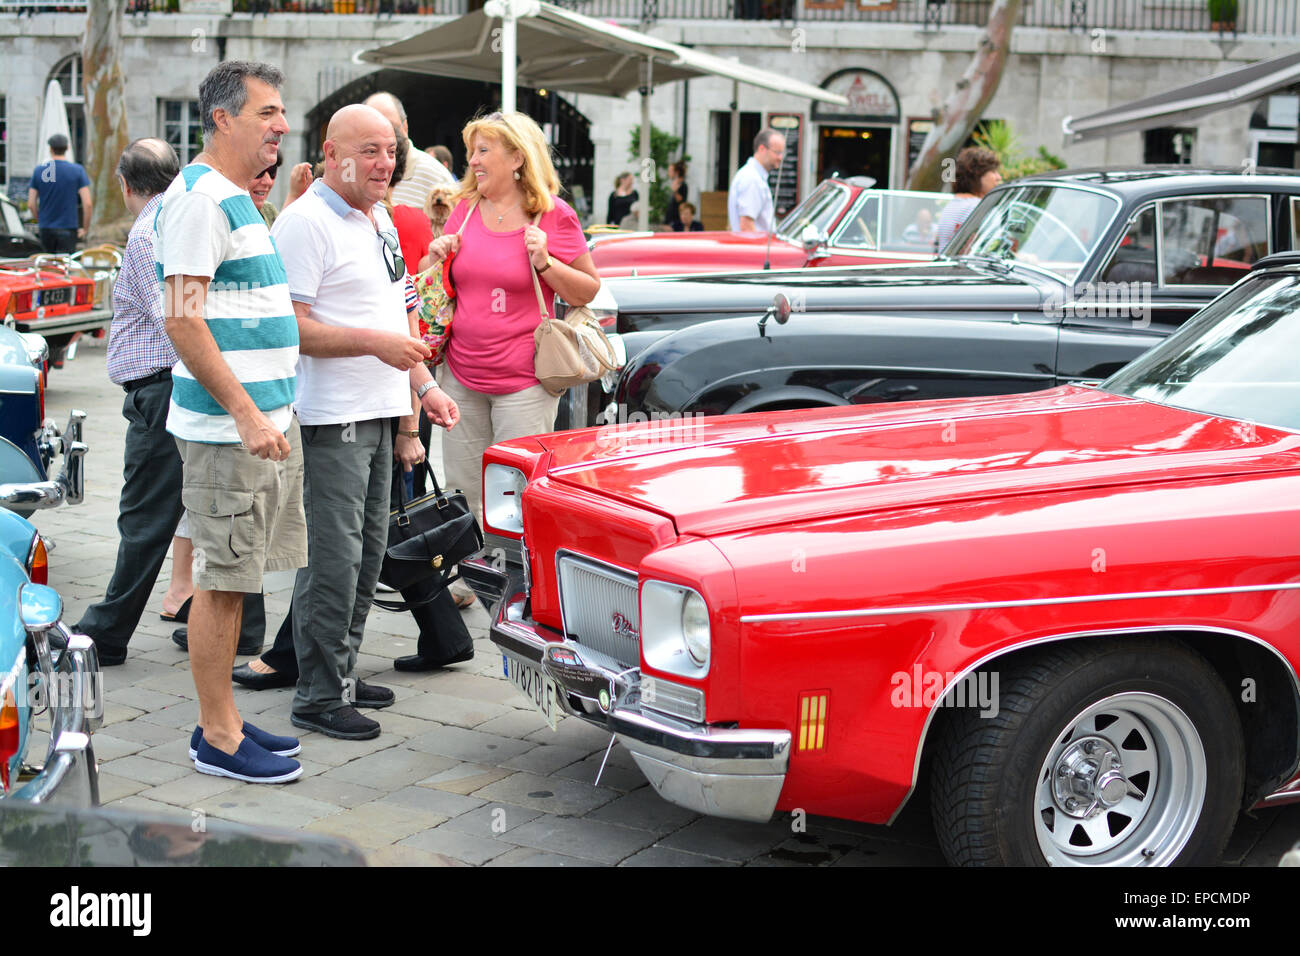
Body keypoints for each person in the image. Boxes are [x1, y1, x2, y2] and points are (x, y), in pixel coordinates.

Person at [267, 103, 460, 736]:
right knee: (335, 558)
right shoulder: (303, 223)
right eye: (371, 150)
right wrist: (375, 347)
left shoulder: (375, 217)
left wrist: (423, 389)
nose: (386, 163)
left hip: (379, 410)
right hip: (333, 417)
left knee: (367, 554)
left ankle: (339, 672)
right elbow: (288, 329)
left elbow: (400, 311)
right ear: (332, 153)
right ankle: (319, 695)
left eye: (391, 150)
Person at [155, 60, 306, 784]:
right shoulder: (202, 201)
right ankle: (216, 734)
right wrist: (246, 414)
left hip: (258, 427)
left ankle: (229, 720)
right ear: (222, 120)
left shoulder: (232, 196)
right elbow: (182, 321)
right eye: (268, 112)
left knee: (238, 578)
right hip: (228, 436)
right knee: (221, 583)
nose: (282, 124)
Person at [76, 136, 267, 667]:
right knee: (214, 505)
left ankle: (109, 630)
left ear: (123, 185)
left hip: (162, 387)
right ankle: (242, 627)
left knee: (147, 517)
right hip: (184, 381)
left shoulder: (147, 231)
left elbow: (176, 318)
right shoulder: (184, 215)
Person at [422, 110, 599, 637]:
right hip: (462, 371)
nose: (472, 162)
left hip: (524, 378)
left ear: (517, 159)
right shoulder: (465, 210)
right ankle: (467, 574)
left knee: (517, 490)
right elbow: (440, 282)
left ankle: (523, 580)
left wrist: (546, 264)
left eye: (483, 152)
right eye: (471, 151)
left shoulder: (552, 216)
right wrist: (437, 254)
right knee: (462, 483)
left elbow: (587, 291)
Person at [364, 91, 455, 210]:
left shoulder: (437, 178)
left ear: (405, 127)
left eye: (392, 127)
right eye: (372, 128)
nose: (383, 135)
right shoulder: (352, 174)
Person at [27, 133, 92, 254]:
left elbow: (31, 204)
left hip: (46, 227)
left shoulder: (39, 170)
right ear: (67, 148)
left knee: (47, 266)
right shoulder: (77, 170)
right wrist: (85, 228)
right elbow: (87, 203)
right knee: (65, 266)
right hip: (68, 226)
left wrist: (40, 219)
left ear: (50, 149)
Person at [934, 147, 1002, 251]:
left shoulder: (952, 205)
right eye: (993, 171)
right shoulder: (979, 207)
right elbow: (993, 249)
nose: (998, 177)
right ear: (977, 174)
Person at [728, 129, 785, 233]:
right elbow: (746, 226)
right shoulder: (752, 179)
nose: (780, 158)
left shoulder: (753, 176)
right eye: (777, 152)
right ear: (762, 149)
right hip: (757, 248)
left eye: (782, 153)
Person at [249, 152, 283, 228]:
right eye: (259, 172)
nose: (268, 181)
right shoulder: (222, 214)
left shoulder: (269, 211)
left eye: (272, 172)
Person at [665, 160, 688, 229]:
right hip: (670, 217)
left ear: (676, 172)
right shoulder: (675, 183)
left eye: (670, 171)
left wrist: (675, 191)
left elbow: (680, 201)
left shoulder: (683, 185)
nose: (668, 173)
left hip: (676, 219)